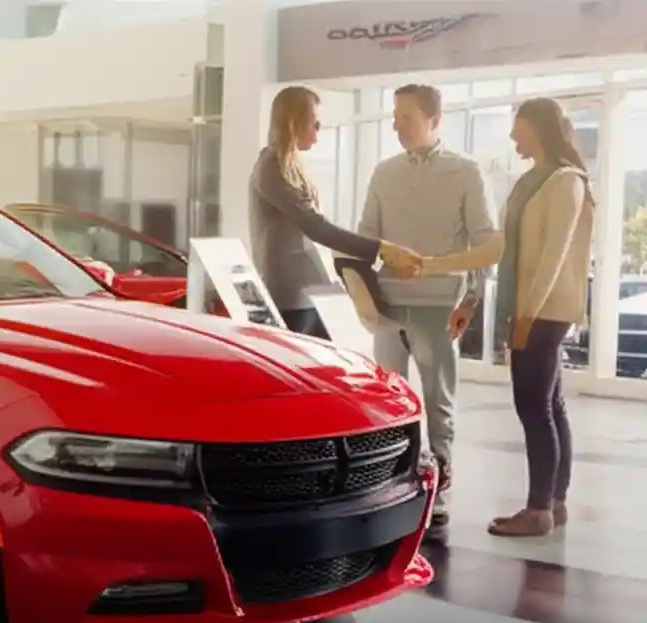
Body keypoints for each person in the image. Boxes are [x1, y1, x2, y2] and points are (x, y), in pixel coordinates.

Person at [406, 97, 595, 537]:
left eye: (518, 127)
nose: (512, 136)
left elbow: (552, 257)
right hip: (534, 309)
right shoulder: (530, 182)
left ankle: (538, 509)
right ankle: (554, 500)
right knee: (550, 404)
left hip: (543, 311)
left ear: (539, 127)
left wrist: (526, 317)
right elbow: (499, 251)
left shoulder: (566, 182)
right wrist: (451, 285)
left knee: (534, 409)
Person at [357, 84, 498, 526]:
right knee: (385, 399)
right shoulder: (383, 173)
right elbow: (365, 238)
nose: (397, 125)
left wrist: (471, 301)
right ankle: (389, 481)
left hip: (440, 305)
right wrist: (360, 291)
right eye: (394, 116)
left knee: (438, 402)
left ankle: (440, 486)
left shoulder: (467, 173)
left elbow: (485, 243)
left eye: (406, 117)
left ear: (435, 120)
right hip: (387, 306)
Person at [249, 85, 421, 338]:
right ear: (294, 121)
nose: (318, 133)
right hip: (285, 297)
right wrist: (383, 250)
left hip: (308, 293)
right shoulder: (270, 166)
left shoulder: (292, 167)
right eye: (314, 124)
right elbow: (316, 227)